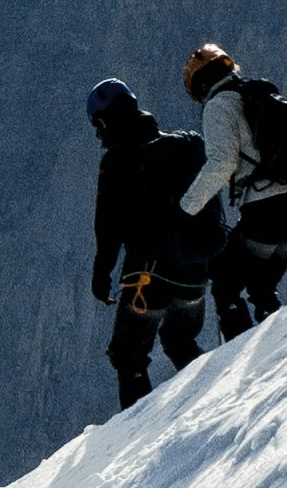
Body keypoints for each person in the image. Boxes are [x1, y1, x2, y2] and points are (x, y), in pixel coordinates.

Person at [86, 81, 225, 404]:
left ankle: (136, 439)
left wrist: (101, 275)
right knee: (179, 340)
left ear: (104, 121)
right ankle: (214, 403)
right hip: (196, 271)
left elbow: (108, 226)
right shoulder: (188, 144)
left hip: (149, 276)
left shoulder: (117, 160)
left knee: (127, 355)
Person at [177, 42, 287, 334]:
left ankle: (239, 362)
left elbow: (222, 163)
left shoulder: (219, 106)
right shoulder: (260, 95)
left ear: (201, 84)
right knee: (262, 289)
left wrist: (187, 208)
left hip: (264, 210)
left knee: (225, 284)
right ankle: (284, 345)